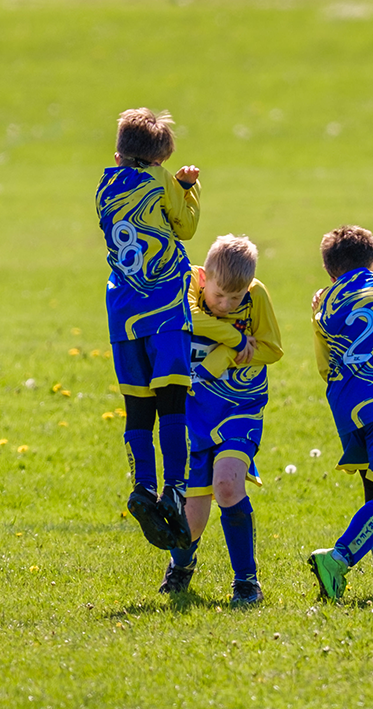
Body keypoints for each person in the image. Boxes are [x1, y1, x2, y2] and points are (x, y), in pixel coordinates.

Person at [96, 108, 200, 552]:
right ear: (159, 160)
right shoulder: (161, 182)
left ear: (119, 154)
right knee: (173, 400)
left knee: (138, 408)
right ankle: (174, 489)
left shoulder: (104, 185)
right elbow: (187, 227)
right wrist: (188, 188)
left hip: (123, 313)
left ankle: (143, 486)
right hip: (165, 309)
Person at [158, 235, 283, 605]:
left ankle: (247, 581)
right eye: (220, 296)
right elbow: (189, 318)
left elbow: (273, 348)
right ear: (205, 277)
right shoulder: (187, 286)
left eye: (236, 297)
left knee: (228, 486)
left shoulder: (255, 295)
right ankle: (180, 567)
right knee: (192, 519)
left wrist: (221, 360)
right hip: (193, 413)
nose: (228, 304)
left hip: (240, 408)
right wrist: (232, 337)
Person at [307, 226, 373, 602]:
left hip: (347, 408)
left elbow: (324, 366)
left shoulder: (321, 305)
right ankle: (338, 558)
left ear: (330, 272)